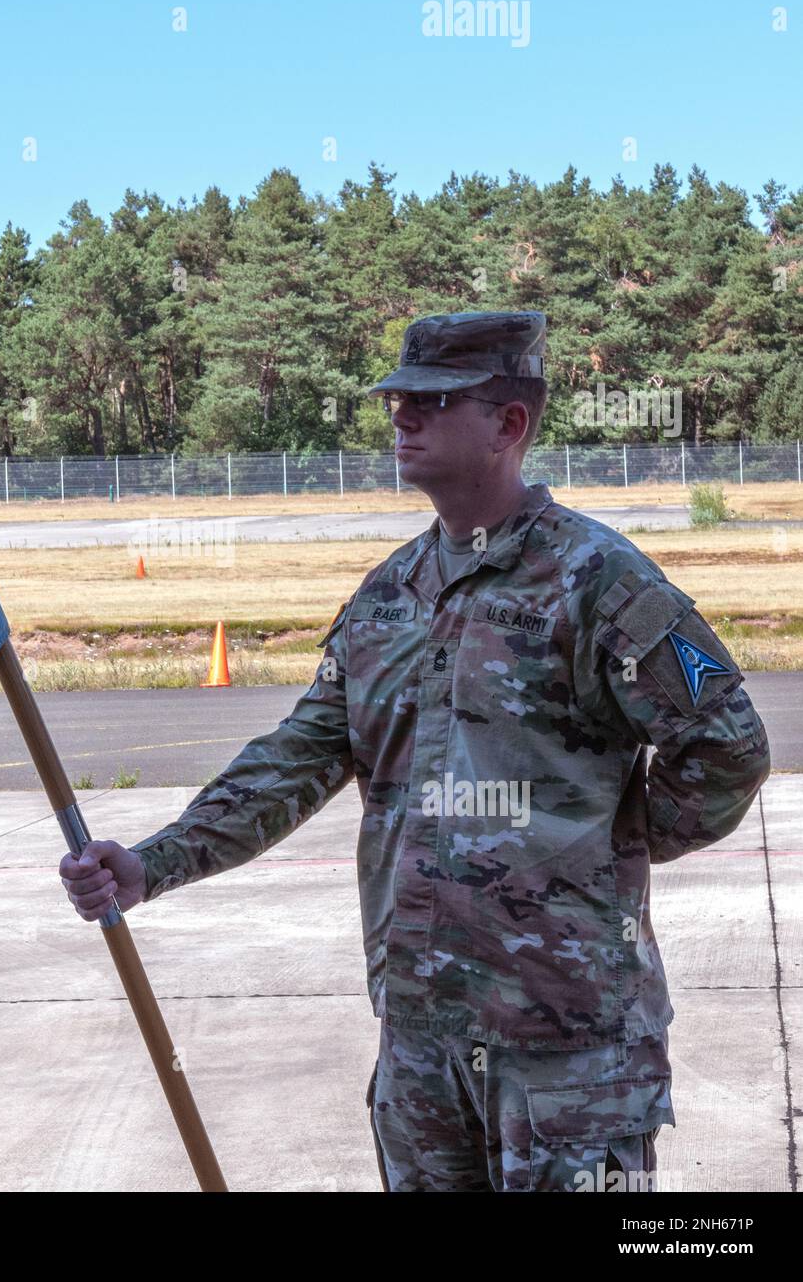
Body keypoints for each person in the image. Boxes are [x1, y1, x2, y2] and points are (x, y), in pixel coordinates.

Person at [58, 310, 771, 1192]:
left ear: (509, 424)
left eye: (431, 401)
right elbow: (300, 755)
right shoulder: (389, 594)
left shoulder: (598, 580)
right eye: (396, 398)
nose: (401, 416)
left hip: (565, 1048)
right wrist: (149, 864)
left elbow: (727, 746)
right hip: (420, 1041)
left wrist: (605, 841)